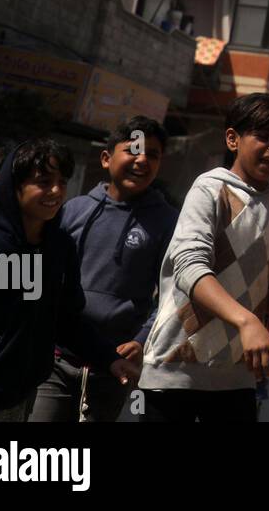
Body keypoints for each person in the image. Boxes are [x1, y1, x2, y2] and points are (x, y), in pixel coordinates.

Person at [136, 92, 269, 422]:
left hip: (237, 379)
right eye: (264, 136)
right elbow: (188, 266)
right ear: (232, 139)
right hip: (175, 370)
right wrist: (246, 320)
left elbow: (265, 291)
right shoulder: (209, 188)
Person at [0, 139, 140, 422]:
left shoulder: (60, 250)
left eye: (62, 181)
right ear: (14, 188)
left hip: (18, 401)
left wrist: (109, 359)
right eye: (43, 182)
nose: (56, 191)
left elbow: (66, 320)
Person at [30, 117, 179, 423]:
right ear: (106, 157)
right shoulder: (73, 210)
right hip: (54, 358)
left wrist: (141, 338)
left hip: (114, 365)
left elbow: (170, 293)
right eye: (133, 149)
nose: (141, 159)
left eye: (152, 154)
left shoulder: (168, 222)